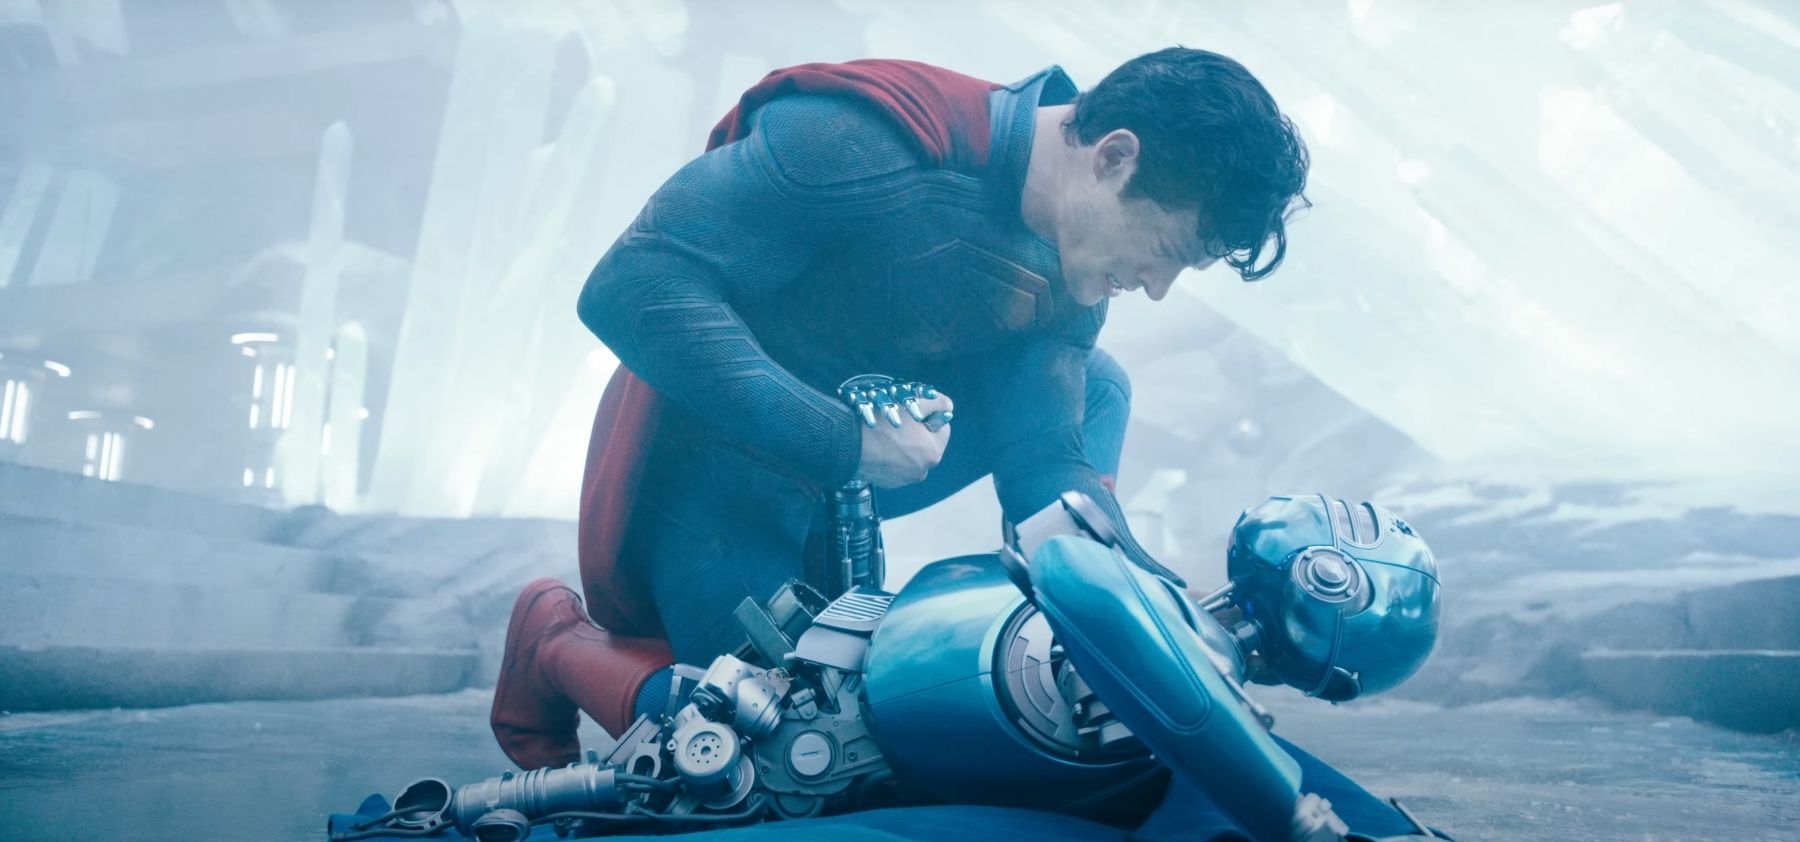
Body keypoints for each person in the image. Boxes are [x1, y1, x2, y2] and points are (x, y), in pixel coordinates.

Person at [490, 47, 1310, 772]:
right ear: (1114, 158)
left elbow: (1045, 465)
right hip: (717, 470)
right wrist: (842, 442)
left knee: (1097, 385)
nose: (1158, 288)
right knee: (779, 752)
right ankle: (556, 645)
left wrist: (1155, 618)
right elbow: (630, 285)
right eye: (1166, 252)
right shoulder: (864, 142)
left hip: (849, 480)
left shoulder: (1072, 267)